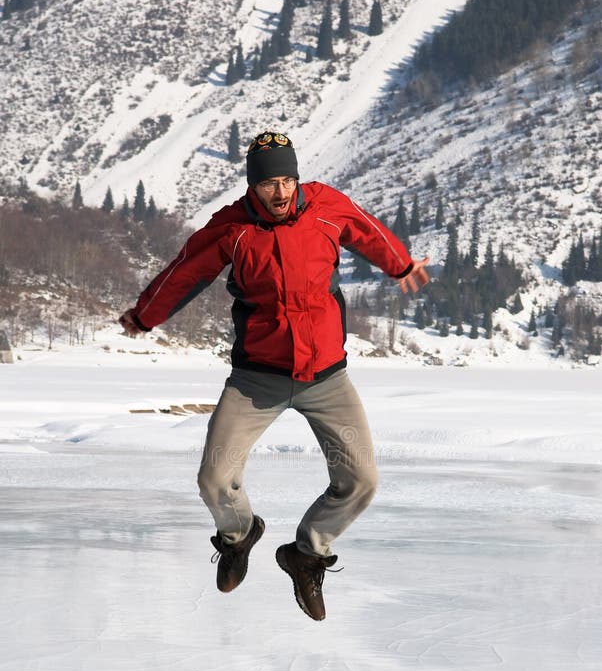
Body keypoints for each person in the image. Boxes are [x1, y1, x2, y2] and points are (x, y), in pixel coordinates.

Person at [119, 130, 429, 621]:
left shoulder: (327, 207)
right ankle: (239, 535)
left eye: (287, 181)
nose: (280, 192)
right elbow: (184, 272)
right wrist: (145, 315)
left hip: (326, 379)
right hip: (255, 380)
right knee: (214, 478)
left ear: (297, 179)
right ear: (253, 186)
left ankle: (306, 554)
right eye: (269, 184)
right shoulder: (232, 227)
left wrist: (401, 265)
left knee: (361, 480)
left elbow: (367, 230)